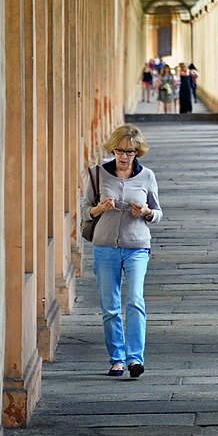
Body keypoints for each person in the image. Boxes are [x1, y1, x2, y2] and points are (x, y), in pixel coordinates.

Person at [81, 124, 162, 378]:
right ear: (112, 149)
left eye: (130, 151)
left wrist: (146, 212)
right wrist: (100, 209)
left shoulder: (147, 176)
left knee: (135, 300)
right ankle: (116, 358)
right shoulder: (97, 174)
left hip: (137, 246)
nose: (124, 156)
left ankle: (135, 359)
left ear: (138, 152)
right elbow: (85, 211)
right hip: (105, 246)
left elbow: (158, 212)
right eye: (119, 150)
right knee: (110, 306)